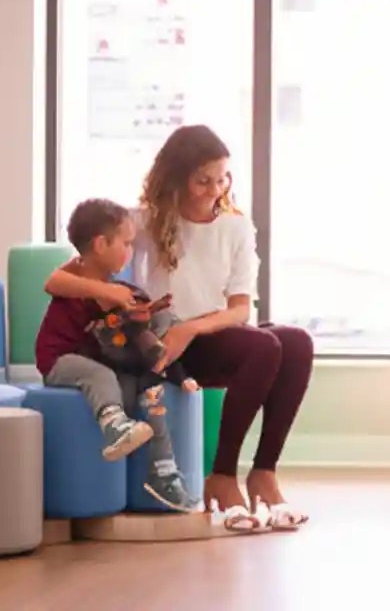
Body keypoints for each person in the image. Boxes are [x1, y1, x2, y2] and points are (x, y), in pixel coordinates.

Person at [45, 124, 314, 531]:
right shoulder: (141, 223)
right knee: (264, 347)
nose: (215, 189)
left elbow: (241, 309)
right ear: (176, 178)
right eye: (202, 180)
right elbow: (58, 280)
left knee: (295, 342)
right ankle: (222, 478)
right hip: (156, 345)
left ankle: (263, 473)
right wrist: (112, 295)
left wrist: (190, 329)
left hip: (199, 336)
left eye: (222, 177)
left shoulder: (236, 227)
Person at [35, 198, 202, 512]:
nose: (130, 250)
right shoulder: (77, 275)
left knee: (151, 395)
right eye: (125, 243)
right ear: (100, 244)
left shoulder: (121, 288)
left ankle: (163, 474)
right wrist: (106, 292)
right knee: (100, 376)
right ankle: (114, 426)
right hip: (60, 359)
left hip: (102, 362)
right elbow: (52, 282)